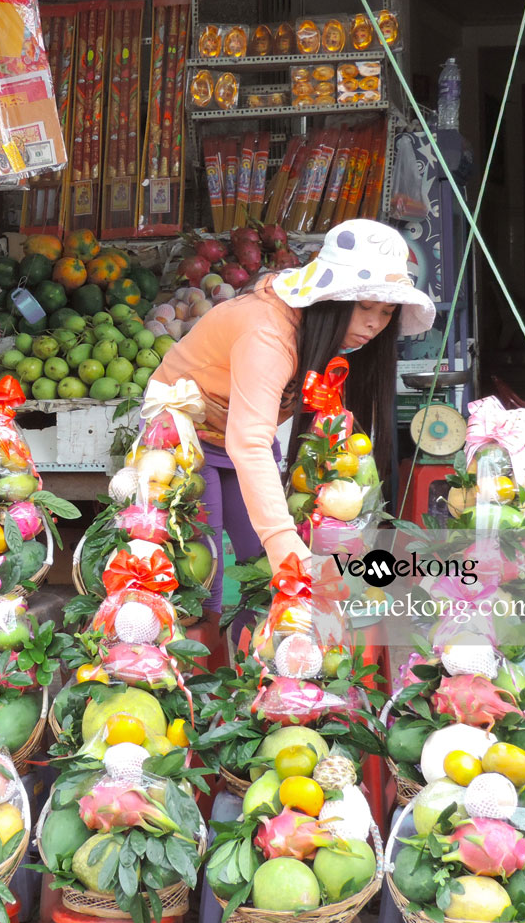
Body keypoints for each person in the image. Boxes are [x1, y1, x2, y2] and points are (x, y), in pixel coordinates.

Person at [151, 218, 435, 627]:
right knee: (201, 582)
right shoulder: (268, 334)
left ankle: (261, 676)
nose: (375, 324)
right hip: (182, 436)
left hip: (237, 433)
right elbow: (250, 444)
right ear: (329, 300)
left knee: (265, 576)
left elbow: (252, 438)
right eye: (364, 307)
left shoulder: (318, 334)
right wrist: (285, 543)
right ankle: (203, 683)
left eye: (387, 311)